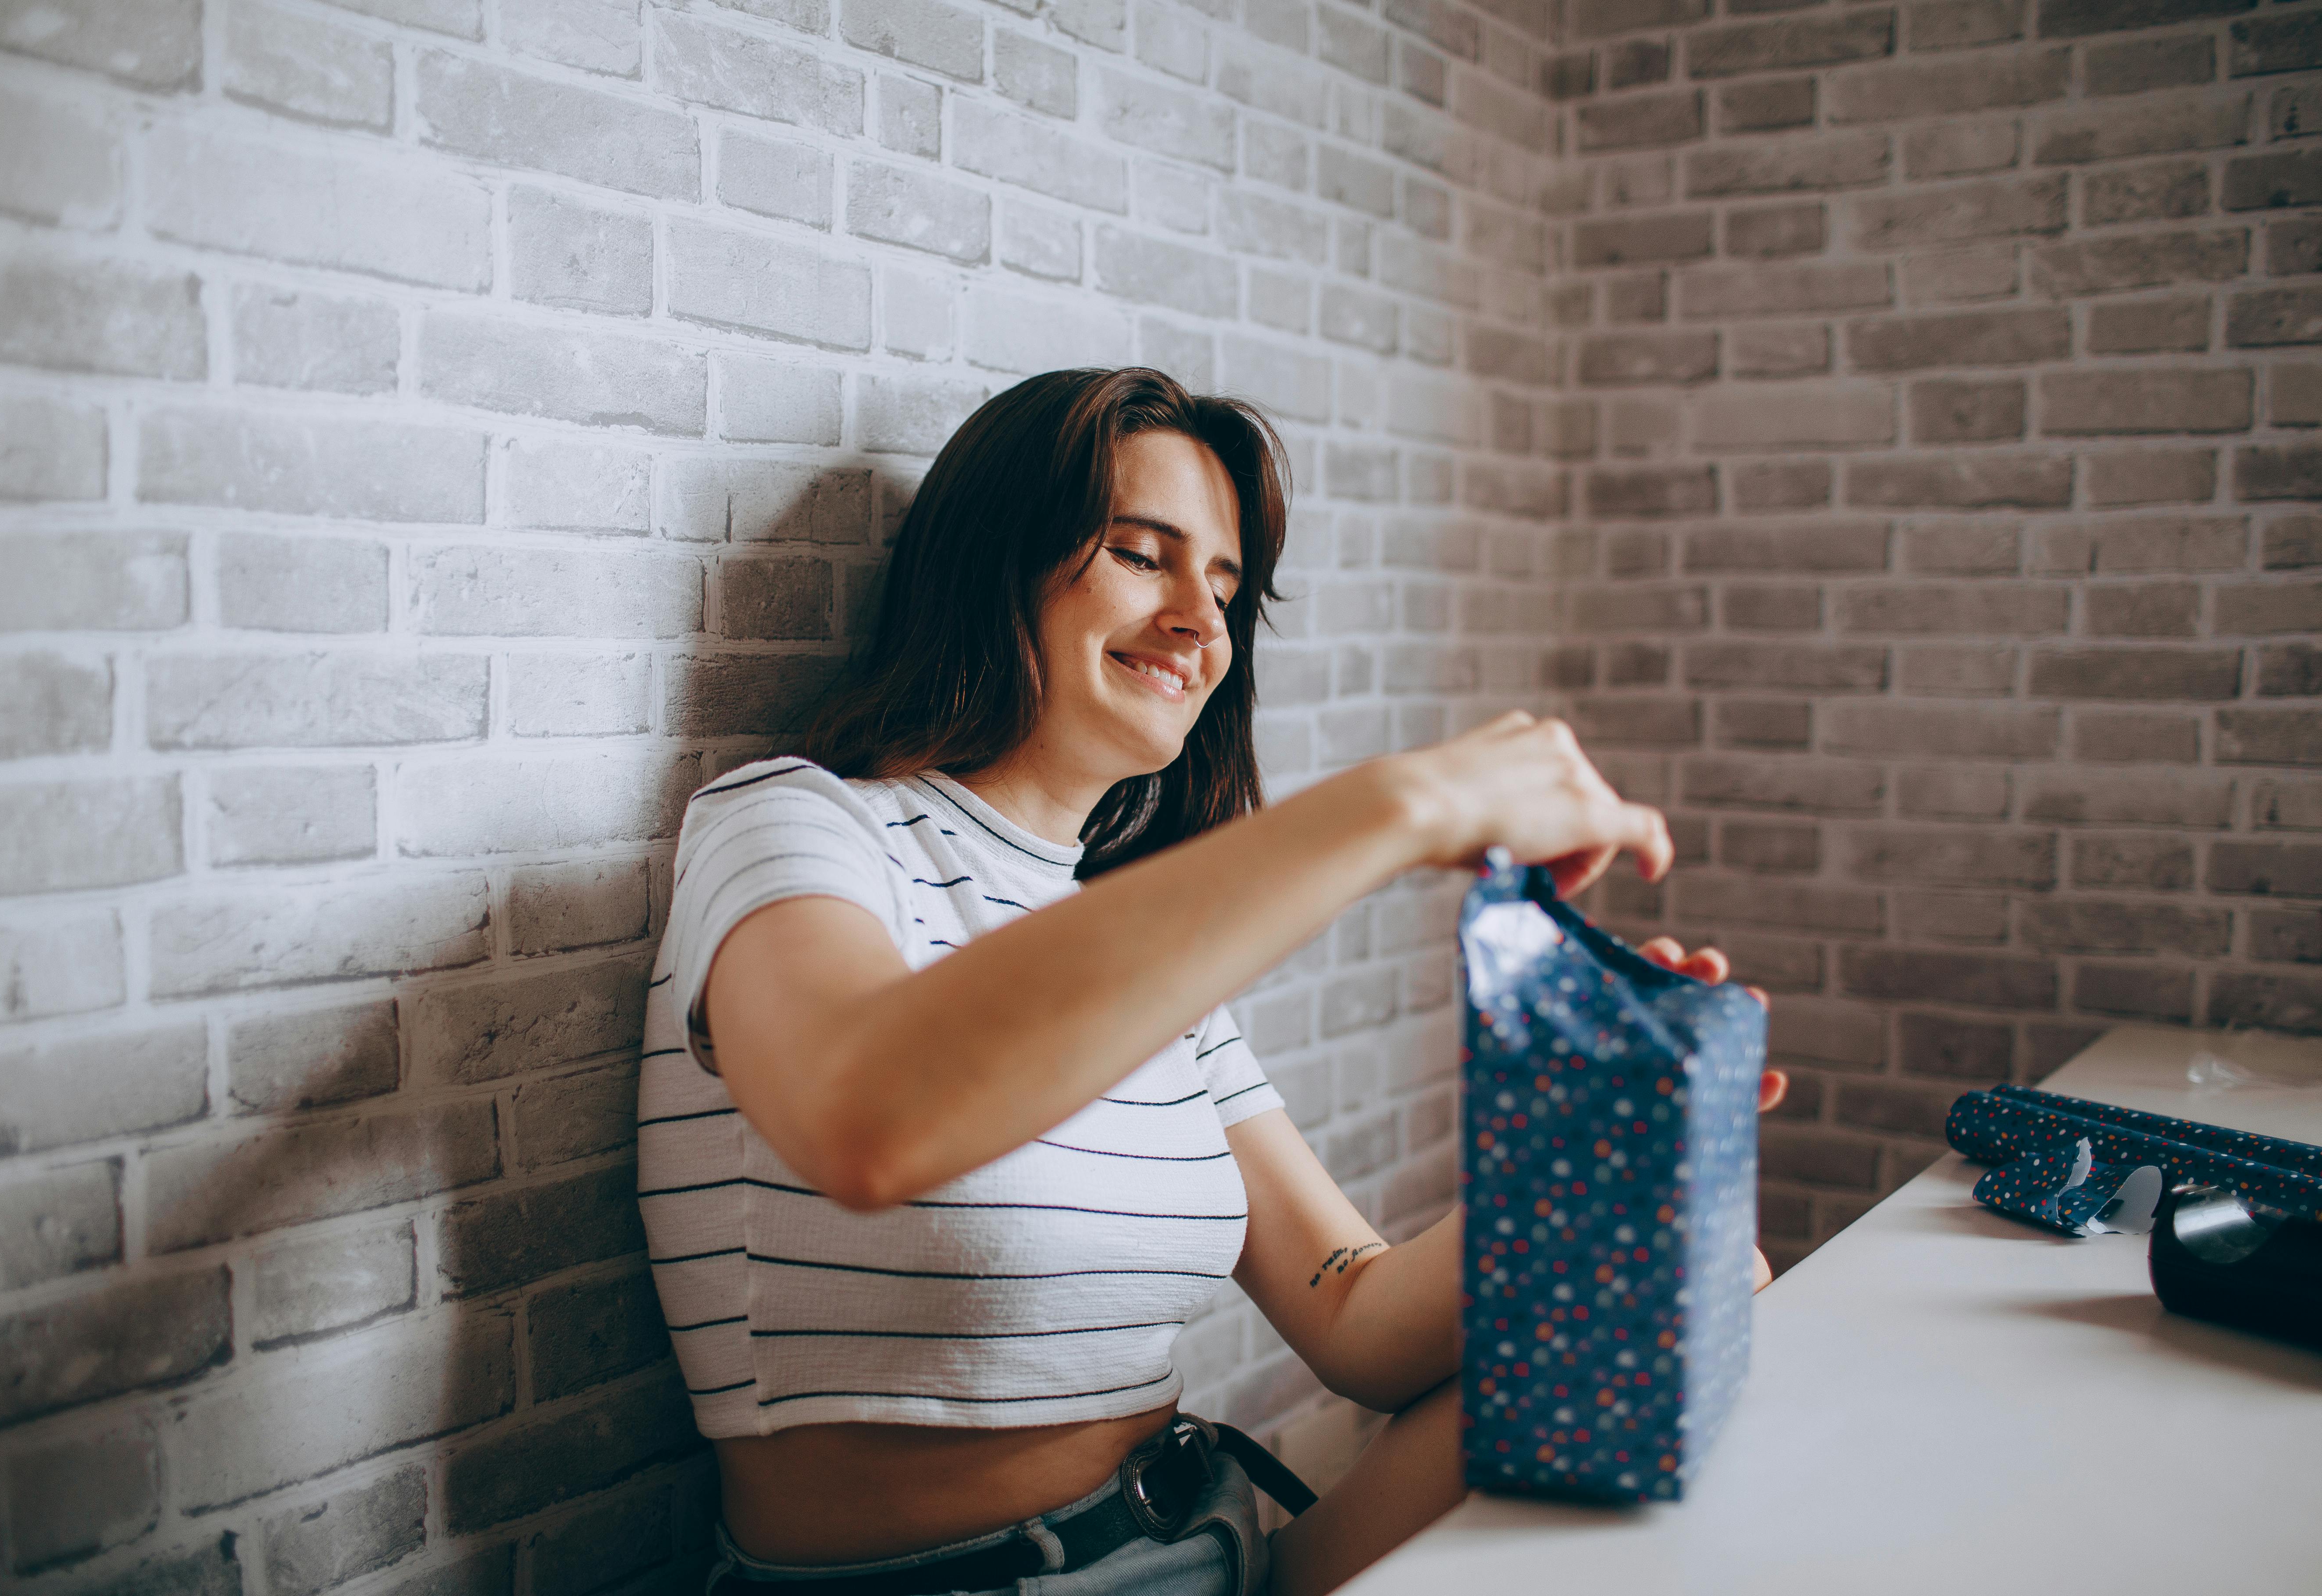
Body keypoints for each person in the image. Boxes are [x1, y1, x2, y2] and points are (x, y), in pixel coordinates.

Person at [635, 368, 1786, 1596]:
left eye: (1228, 589)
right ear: (992, 563)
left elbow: (1358, 1317)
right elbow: (861, 1113)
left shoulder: (1135, 941)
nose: (1203, 622)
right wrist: (1407, 802)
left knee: (1657, 1311)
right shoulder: (795, 828)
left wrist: (1595, 1158)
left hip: (1219, 1557)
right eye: (1143, 556)